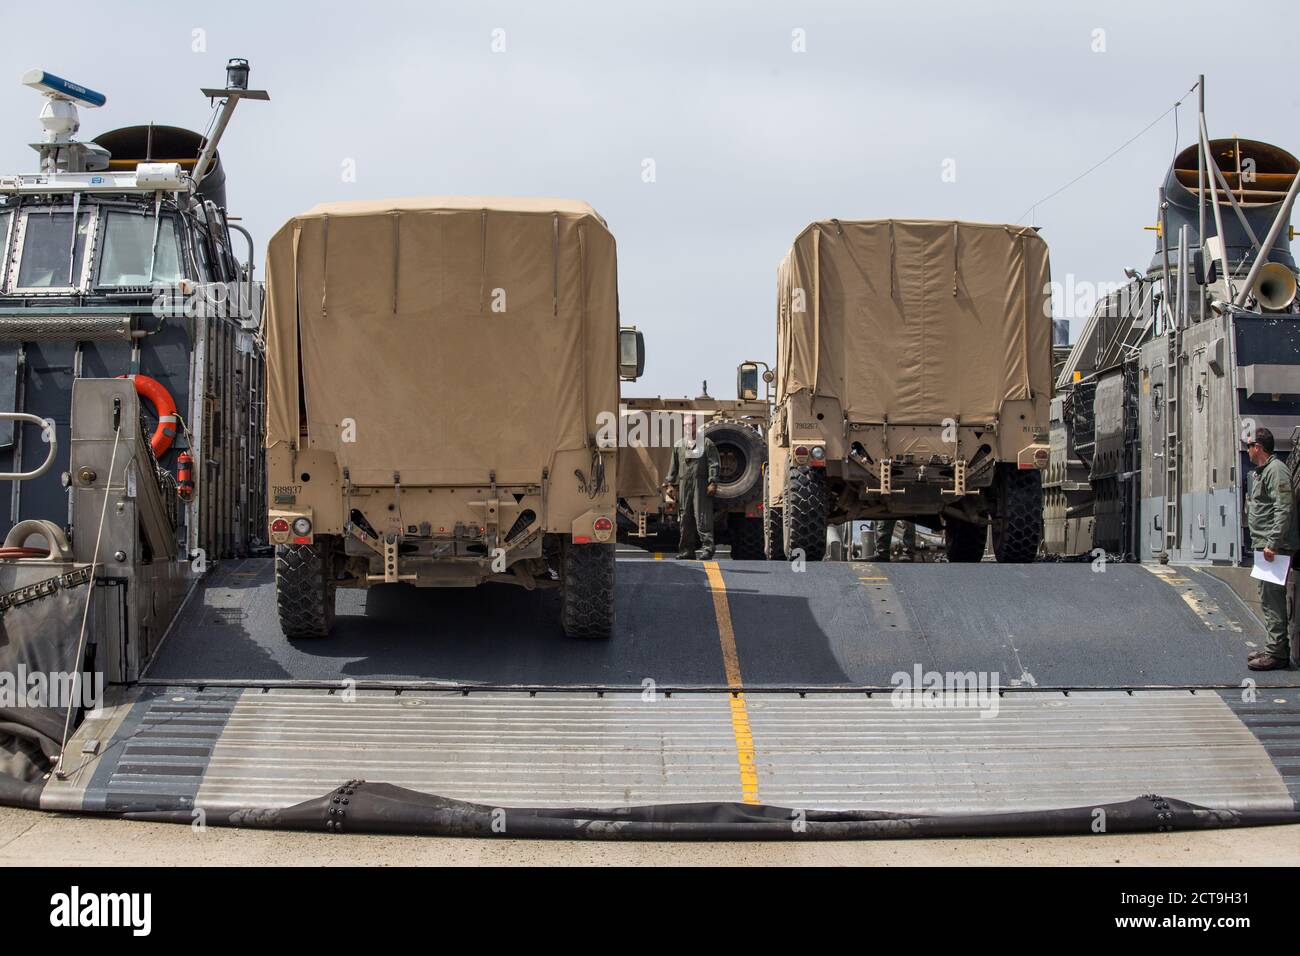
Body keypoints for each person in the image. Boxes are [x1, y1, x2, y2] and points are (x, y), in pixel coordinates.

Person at [1246, 427, 1299, 670]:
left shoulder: (1276, 471)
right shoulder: (1265, 471)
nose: (1247, 450)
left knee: (1273, 599)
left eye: (1249, 445)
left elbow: (1283, 508)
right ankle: (1273, 646)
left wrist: (1272, 543)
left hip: (1273, 549)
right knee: (1268, 598)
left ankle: (1277, 654)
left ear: (1258, 447)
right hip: (1266, 547)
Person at [663, 416, 720, 560]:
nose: (687, 427)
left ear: (696, 426)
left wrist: (712, 481)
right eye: (685, 425)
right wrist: (670, 483)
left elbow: (714, 464)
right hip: (684, 485)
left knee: (702, 517)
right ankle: (686, 550)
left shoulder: (707, 444)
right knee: (685, 518)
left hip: (700, 485)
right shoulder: (678, 445)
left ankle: (707, 549)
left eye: (691, 424)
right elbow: (673, 467)